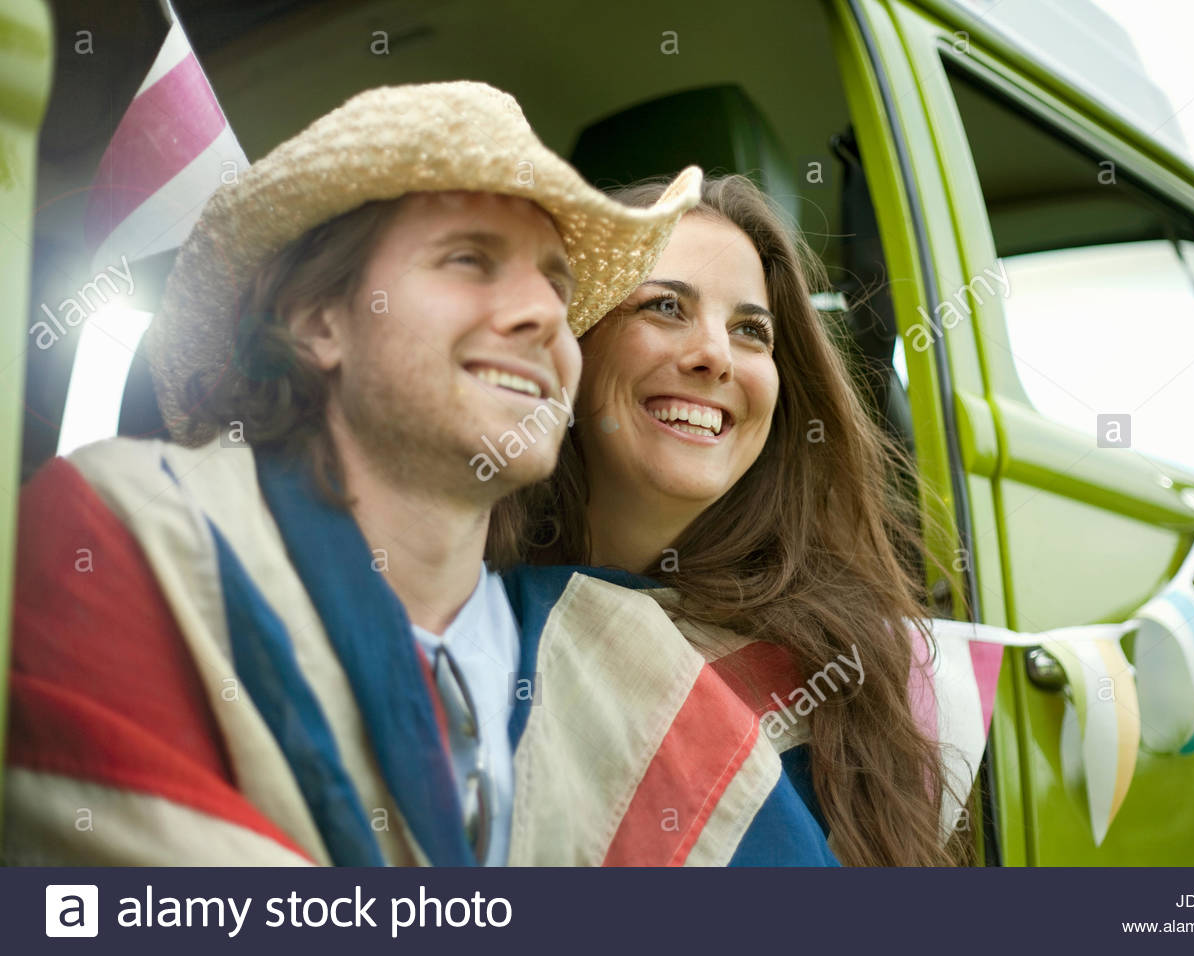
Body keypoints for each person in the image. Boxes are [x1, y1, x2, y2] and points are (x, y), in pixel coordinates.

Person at [4, 80, 701, 865]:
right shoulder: (119, 529)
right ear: (317, 322)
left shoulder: (629, 660)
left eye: (557, 285)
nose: (545, 315)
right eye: (469, 259)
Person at [492, 175, 974, 866]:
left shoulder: (852, 669)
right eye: (664, 307)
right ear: (569, 347)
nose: (716, 355)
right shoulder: (468, 622)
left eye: (751, 331)